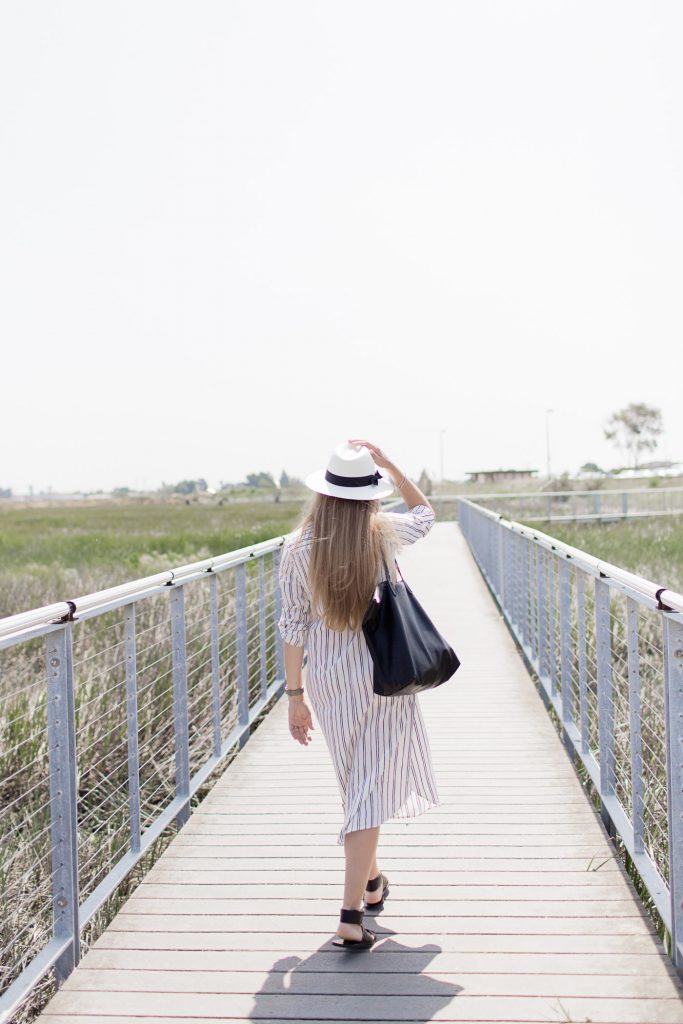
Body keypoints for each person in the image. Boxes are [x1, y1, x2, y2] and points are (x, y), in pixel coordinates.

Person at [277, 438, 440, 950]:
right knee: (366, 787)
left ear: (323, 494)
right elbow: (426, 514)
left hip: (328, 682)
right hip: (383, 674)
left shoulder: (297, 548)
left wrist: (295, 696)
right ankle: (350, 916)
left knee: (357, 783)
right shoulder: (382, 532)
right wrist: (392, 465)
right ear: (371, 494)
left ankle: (371, 883)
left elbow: (293, 624)